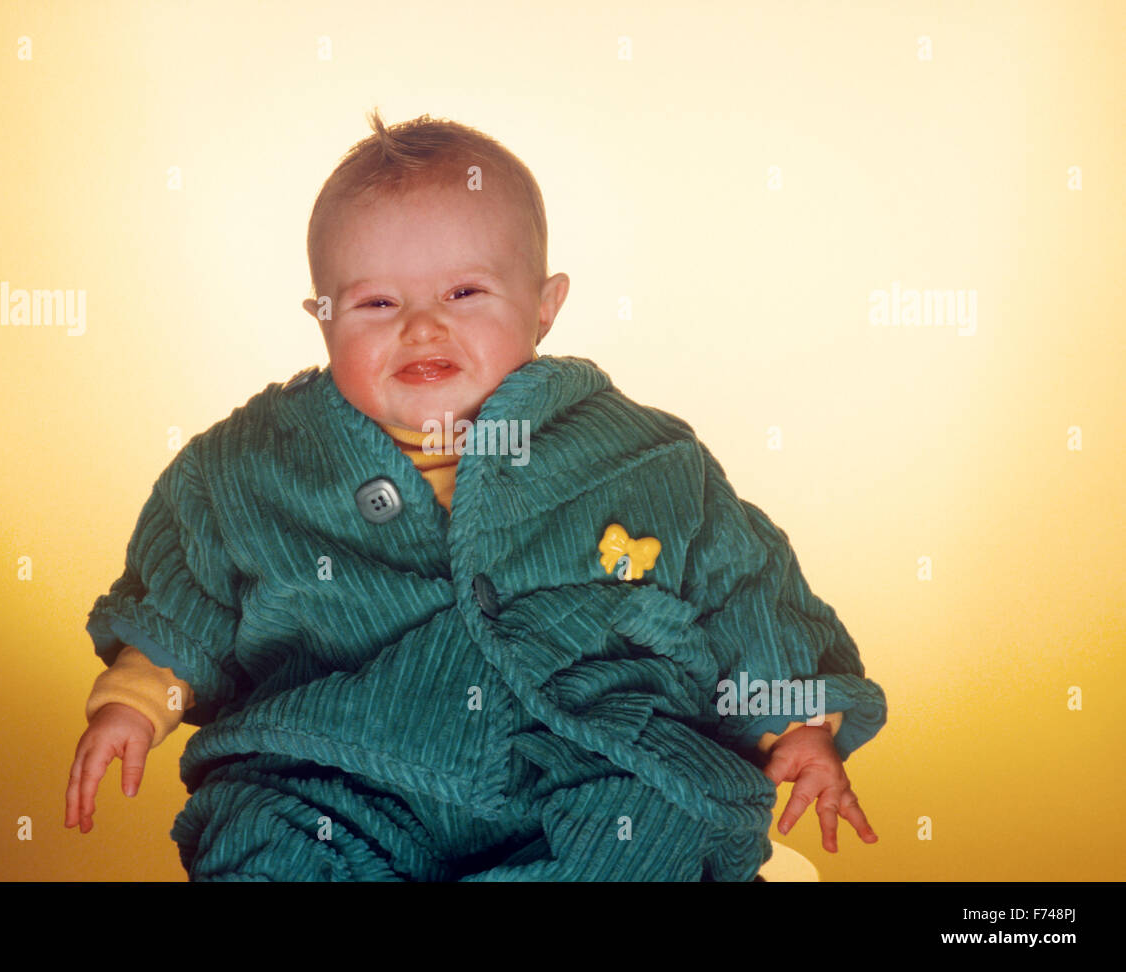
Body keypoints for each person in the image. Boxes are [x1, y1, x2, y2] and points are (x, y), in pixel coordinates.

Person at [64, 108, 887, 880]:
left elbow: (742, 590)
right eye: (376, 303)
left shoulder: (644, 458)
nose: (421, 326)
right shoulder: (247, 468)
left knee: (652, 823)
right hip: (335, 773)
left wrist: (800, 726)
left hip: (586, 765)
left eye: (464, 294)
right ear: (322, 318)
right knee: (264, 834)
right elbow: (184, 607)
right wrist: (136, 703)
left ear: (544, 306)